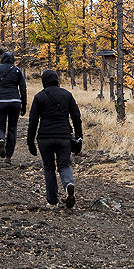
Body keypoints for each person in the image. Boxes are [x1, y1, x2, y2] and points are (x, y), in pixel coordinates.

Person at [26, 68, 83, 209]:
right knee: (64, 165)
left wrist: (30, 141)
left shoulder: (39, 97)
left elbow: (33, 121)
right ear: (57, 80)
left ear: (44, 81)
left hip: (44, 137)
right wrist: (79, 136)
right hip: (63, 136)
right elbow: (77, 117)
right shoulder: (67, 95)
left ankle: (52, 201)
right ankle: (68, 184)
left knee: (49, 168)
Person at [0, 51, 27, 164]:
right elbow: (23, 89)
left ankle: (1, 139)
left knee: (0, 126)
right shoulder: (18, 70)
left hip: (0, 101)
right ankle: (8, 157)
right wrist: (24, 104)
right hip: (15, 101)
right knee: (12, 128)